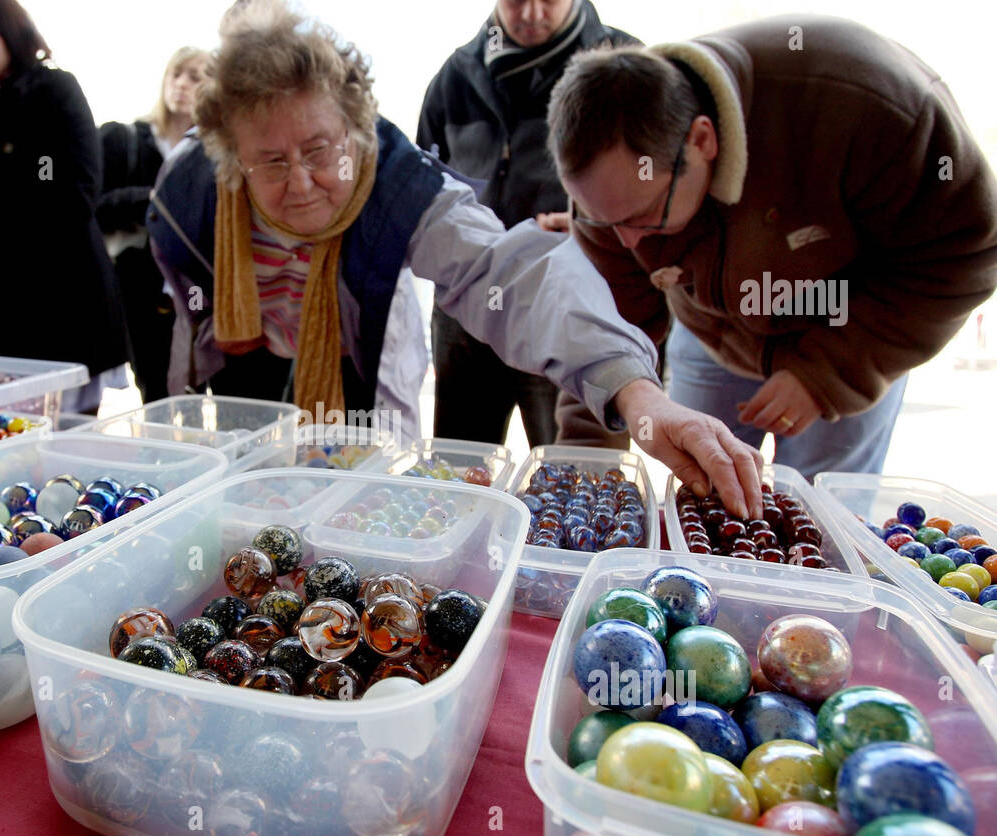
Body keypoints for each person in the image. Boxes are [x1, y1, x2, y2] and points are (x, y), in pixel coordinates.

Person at [149, 0, 765, 517]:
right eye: (273, 162)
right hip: (243, 361)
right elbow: (181, 300)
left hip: (349, 363)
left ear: (357, 132)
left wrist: (635, 393)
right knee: (244, 496)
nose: (304, 182)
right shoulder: (188, 191)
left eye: (319, 150)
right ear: (230, 156)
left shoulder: (399, 189)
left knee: (347, 495)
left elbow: (511, 270)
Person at [547, 15, 997, 479]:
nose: (627, 243)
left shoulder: (871, 107)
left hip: (855, 334)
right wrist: (585, 465)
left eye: (645, 218)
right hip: (713, 336)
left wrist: (828, 374)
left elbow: (965, 254)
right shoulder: (615, 180)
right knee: (702, 484)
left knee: (817, 511)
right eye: (606, 223)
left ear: (701, 140)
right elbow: (609, 329)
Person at [417, 0, 637, 450]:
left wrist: (594, 229)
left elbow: (656, 194)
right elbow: (426, 184)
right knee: (462, 465)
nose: (532, 13)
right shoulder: (455, 76)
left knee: (572, 473)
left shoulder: (623, 67)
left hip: (569, 304)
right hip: (467, 313)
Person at [0, 0, 131, 413]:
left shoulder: (54, 90)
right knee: (2, 446)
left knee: (70, 452)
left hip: (65, 310)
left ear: (9, 28)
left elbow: (75, 196)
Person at [97, 48, 207, 405]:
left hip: (196, 290)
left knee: (198, 389)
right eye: (177, 74)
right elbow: (91, 207)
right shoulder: (125, 140)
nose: (182, 84)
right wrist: (154, 200)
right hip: (140, 288)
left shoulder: (211, 152)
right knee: (154, 391)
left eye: (195, 76)